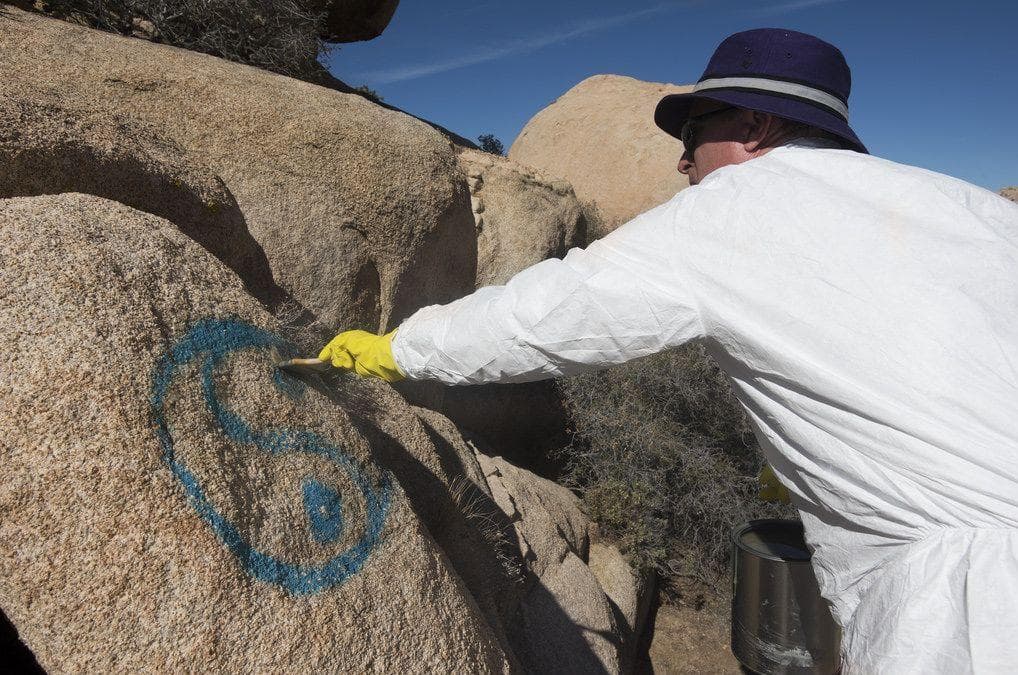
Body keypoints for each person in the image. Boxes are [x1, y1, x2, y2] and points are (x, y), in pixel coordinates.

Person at [317, 28, 1018, 673]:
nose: (683, 158)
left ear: (755, 125)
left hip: (972, 607)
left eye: (694, 129)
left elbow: (546, 315)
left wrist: (394, 350)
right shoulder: (967, 208)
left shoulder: (735, 208)